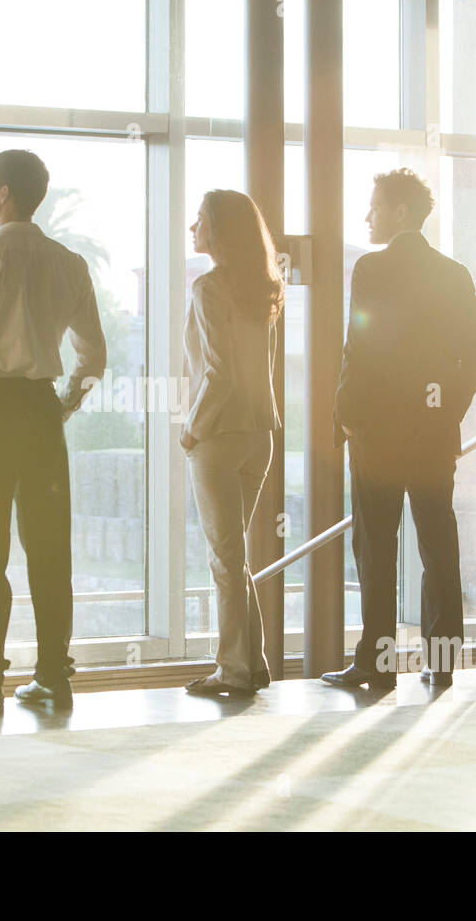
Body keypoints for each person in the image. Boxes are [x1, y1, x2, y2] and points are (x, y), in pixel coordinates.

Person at [0, 149, 107, 713]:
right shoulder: (69, 264)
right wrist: (61, 407)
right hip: (39, 415)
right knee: (51, 551)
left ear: (5, 193)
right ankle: (54, 676)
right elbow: (94, 357)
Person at [323, 168, 476, 691]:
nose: (366, 216)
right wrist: (446, 412)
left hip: (378, 433)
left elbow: (360, 346)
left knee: (376, 547)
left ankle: (377, 663)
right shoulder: (455, 274)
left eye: (373, 206)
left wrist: (347, 414)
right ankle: (441, 661)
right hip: (433, 437)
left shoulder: (372, 268)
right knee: (439, 544)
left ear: (398, 212)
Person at [181, 190, 284, 697]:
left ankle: (235, 671)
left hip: (218, 437)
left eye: (199, 220)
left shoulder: (207, 289)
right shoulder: (262, 287)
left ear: (218, 230)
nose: (191, 227)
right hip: (259, 435)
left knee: (225, 558)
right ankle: (253, 663)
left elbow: (217, 375)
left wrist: (191, 429)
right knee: (234, 556)